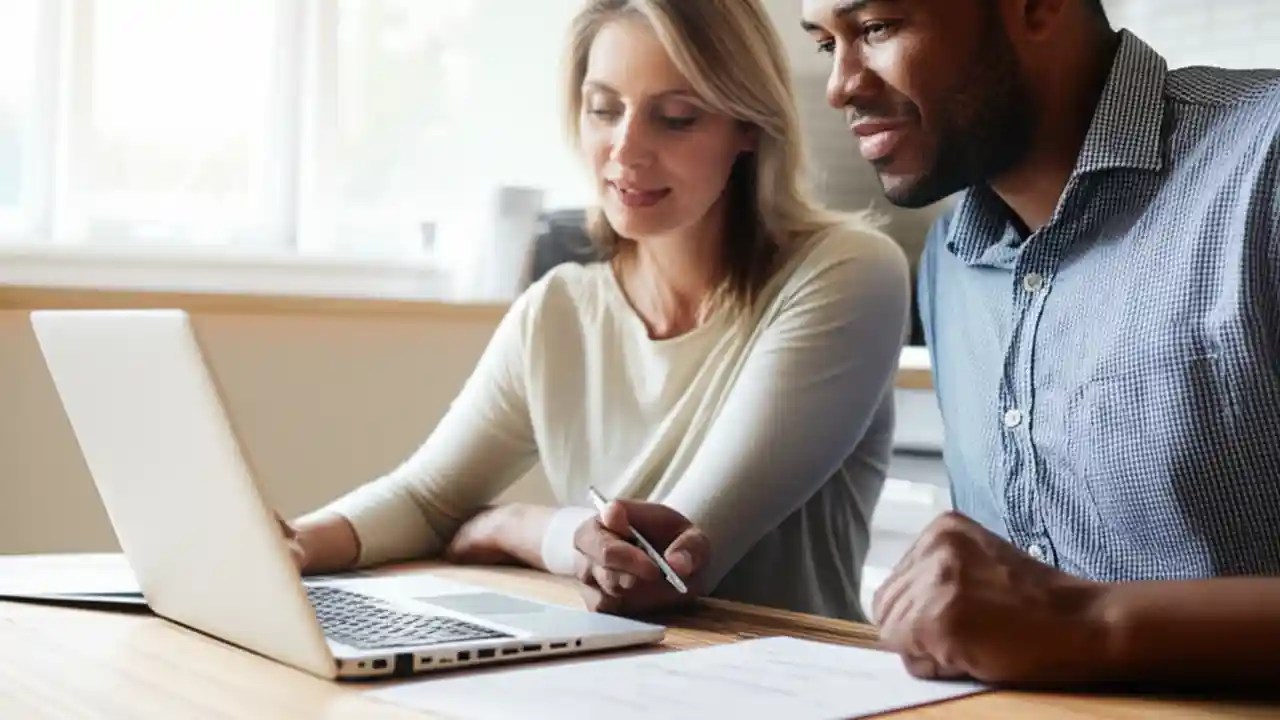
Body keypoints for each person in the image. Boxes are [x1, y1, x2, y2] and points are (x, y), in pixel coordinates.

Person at [282, 0, 909, 622]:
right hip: (612, 674)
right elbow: (424, 499)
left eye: (676, 118)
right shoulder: (558, 312)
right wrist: (287, 546)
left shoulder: (848, 272)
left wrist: (513, 525)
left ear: (748, 127)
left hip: (796, 687)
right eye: (603, 109)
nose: (625, 149)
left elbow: (665, 564)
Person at [801, 0, 1280, 686]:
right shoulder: (951, 259)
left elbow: (1058, 624)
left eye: (876, 29)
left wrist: (1089, 624)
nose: (840, 85)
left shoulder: (1267, 162)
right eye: (827, 45)